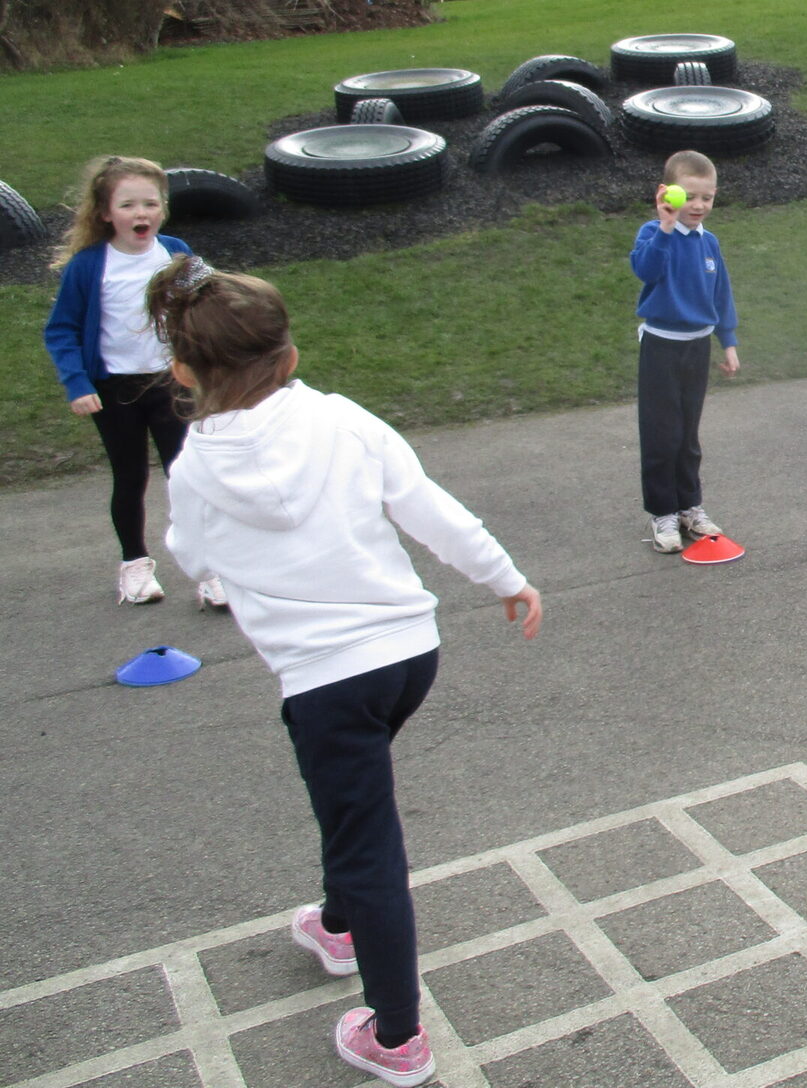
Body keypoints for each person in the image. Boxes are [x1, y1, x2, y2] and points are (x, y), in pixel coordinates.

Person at [151, 256, 543, 1088]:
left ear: (182, 373)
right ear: (288, 358)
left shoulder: (193, 468)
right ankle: (336, 925)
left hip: (329, 682)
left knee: (367, 842)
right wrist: (506, 578)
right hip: (408, 656)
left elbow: (188, 554)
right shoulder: (342, 420)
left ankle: (396, 1037)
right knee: (350, 800)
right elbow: (430, 507)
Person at [42, 154, 225, 608]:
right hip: (113, 391)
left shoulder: (177, 252)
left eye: (150, 203)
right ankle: (135, 566)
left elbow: (212, 298)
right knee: (128, 478)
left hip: (172, 383)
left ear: (162, 209)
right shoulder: (88, 265)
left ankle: (210, 571)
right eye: (128, 205)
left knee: (186, 477)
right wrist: (77, 384)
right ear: (105, 212)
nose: (140, 214)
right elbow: (61, 329)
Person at [630, 148, 739, 554]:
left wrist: (727, 342)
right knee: (661, 434)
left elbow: (721, 295)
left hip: (696, 349)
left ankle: (690, 506)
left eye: (706, 198)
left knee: (688, 436)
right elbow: (646, 271)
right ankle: (663, 512)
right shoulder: (653, 234)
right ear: (666, 193)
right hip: (660, 347)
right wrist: (664, 225)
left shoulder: (709, 243)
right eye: (690, 196)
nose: (698, 206)